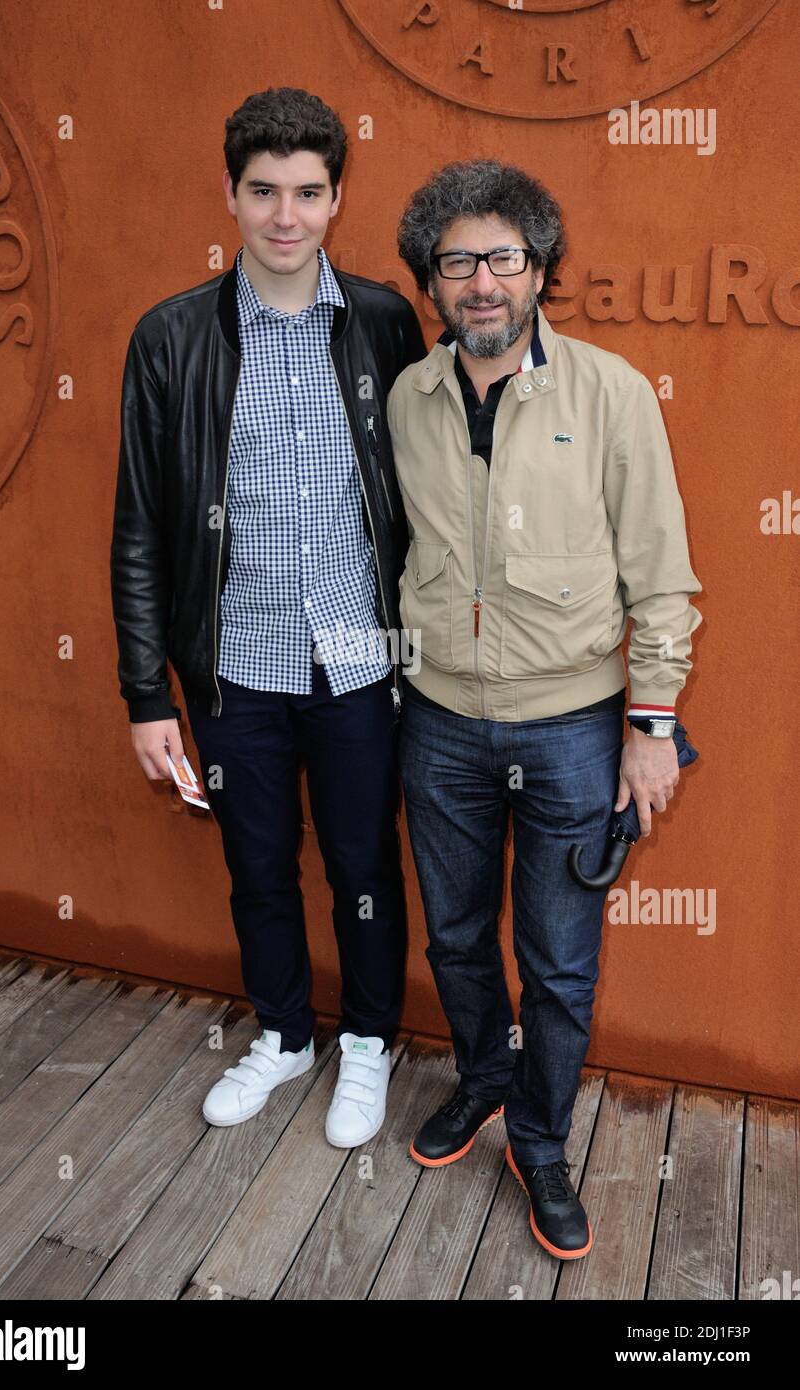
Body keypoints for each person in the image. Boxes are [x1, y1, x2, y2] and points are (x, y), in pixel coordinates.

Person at [387, 159, 702, 1258]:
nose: (481, 281)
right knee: (459, 933)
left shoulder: (611, 393)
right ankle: (481, 1076)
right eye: (456, 261)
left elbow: (661, 574)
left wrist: (650, 722)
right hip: (434, 723)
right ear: (431, 282)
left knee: (560, 963)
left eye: (503, 258)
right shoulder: (406, 399)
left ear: (539, 272)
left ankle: (540, 1137)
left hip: (573, 725)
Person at [110, 88, 425, 1148]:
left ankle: (368, 1041)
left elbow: (419, 498)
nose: (284, 215)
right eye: (262, 192)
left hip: (356, 655)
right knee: (255, 865)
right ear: (231, 194)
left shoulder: (382, 320)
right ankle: (287, 1034)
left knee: (361, 864)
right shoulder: (169, 338)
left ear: (337, 197)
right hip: (233, 663)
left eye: (306, 192)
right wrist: (148, 692)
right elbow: (142, 528)